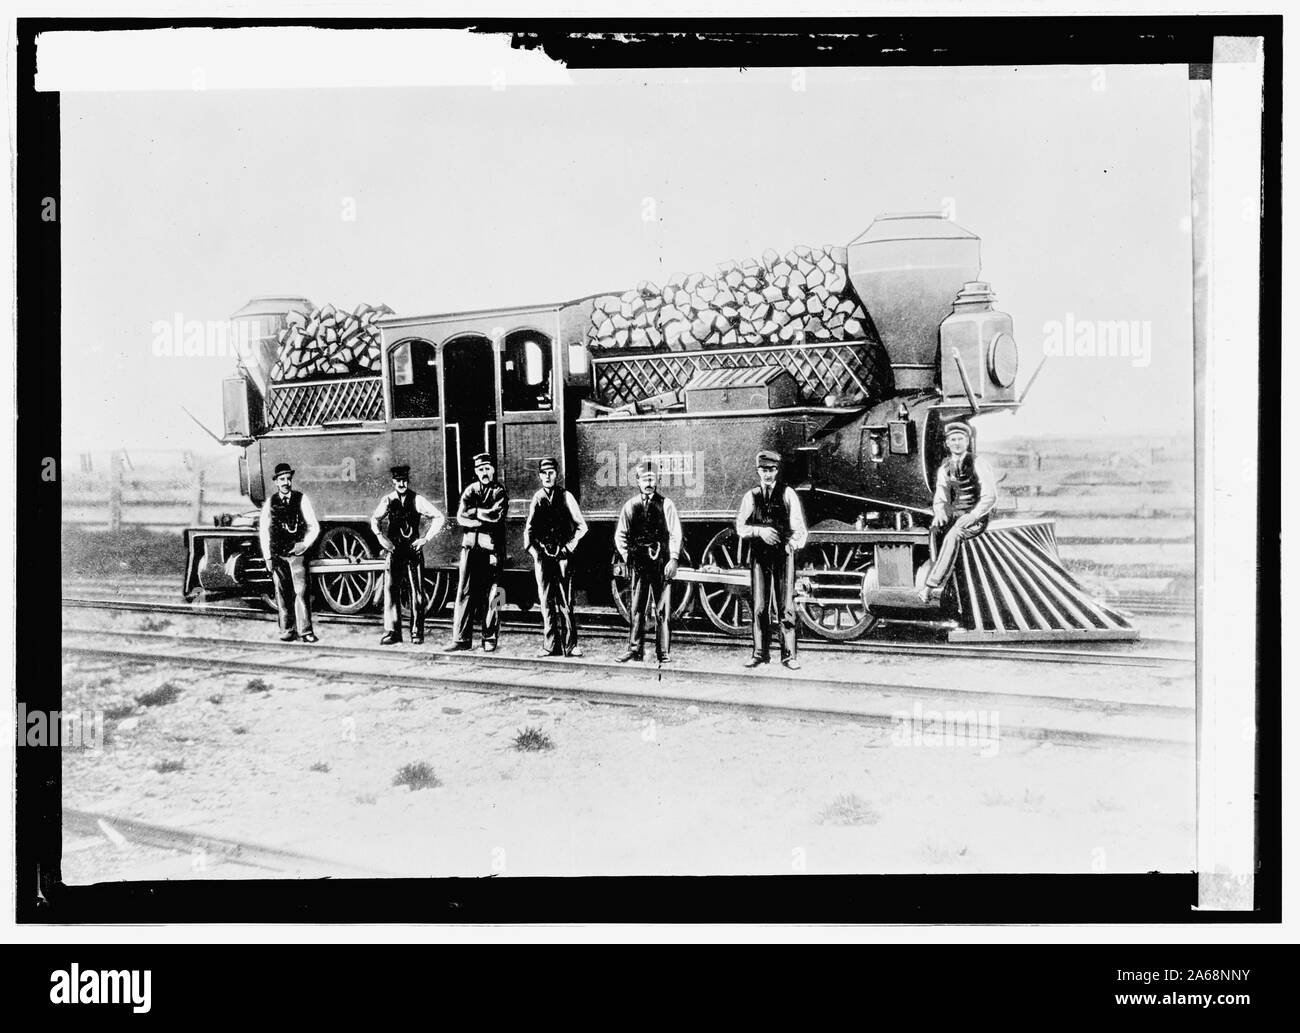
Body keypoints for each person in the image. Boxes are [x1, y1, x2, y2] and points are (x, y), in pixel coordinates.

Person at [734, 449, 808, 670]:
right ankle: (759, 653)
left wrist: (791, 545)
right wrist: (759, 532)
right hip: (759, 556)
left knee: (785, 607)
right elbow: (740, 527)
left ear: (777, 471)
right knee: (759, 606)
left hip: (783, 556)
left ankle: (789, 655)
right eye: (764, 470)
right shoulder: (751, 496)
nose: (767, 474)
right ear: (758, 471)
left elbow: (800, 529)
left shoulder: (788, 494)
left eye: (772, 470)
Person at [919, 422, 998, 604]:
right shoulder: (944, 468)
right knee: (935, 531)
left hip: (977, 517)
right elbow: (941, 495)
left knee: (954, 534)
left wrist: (973, 515)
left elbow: (990, 496)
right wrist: (939, 512)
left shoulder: (979, 463)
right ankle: (947, 584)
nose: (957, 443)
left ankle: (931, 586)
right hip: (956, 514)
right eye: (953, 440)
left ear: (967, 441)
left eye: (960, 439)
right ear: (947, 443)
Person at [613, 459, 683, 664]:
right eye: (645, 479)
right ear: (638, 481)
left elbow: (675, 534)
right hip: (640, 566)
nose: (649, 483)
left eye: (652, 479)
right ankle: (635, 649)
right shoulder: (630, 506)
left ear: (658, 480)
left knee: (662, 609)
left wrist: (674, 559)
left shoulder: (667, 504)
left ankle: (663, 652)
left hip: (660, 564)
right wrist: (628, 557)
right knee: (637, 609)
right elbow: (620, 535)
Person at [371, 464, 445, 646]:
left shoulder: (417, 499)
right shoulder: (388, 500)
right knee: (391, 591)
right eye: (398, 481)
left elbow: (439, 517)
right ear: (393, 482)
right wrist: (381, 538)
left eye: (404, 480)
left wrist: (425, 539)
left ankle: (416, 632)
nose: (401, 484)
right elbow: (375, 519)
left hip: (413, 552)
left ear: (407, 481)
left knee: (417, 593)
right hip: (395, 552)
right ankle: (393, 632)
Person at [523, 456, 588, 658]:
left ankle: (571, 646)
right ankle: (550, 645)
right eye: (544, 473)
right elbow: (529, 530)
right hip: (543, 557)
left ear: (556, 474)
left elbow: (582, 526)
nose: (548, 476)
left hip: (562, 556)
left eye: (551, 472)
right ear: (540, 476)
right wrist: (534, 552)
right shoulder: (537, 498)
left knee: (565, 602)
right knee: (545, 602)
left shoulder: (566, 496)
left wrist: (569, 548)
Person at [444, 453, 507, 652]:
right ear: (476, 472)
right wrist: (480, 515)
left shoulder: (500, 491)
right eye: (480, 470)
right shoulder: (470, 490)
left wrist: (476, 512)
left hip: (492, 550)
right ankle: (461, 639)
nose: (484, 473)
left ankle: (490, 638)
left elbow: (495, 515)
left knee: (495, 594)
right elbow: (461, 516)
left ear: (493, 470)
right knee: (464, 592)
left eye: (487, 469)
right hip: (470, 548)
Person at [258, 462, 321, 643]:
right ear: (276, 482)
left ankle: (306, 631)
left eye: (288, 479)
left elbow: (314, 527)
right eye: (282, 479)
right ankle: (287, 630)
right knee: (282, 594)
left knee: (301, 592)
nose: (286, 482)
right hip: (278, 555)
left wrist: (304, 544)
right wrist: (268, 557)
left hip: (297, 555)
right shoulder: (270, 503)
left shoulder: (301, 499)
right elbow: (264, 532)